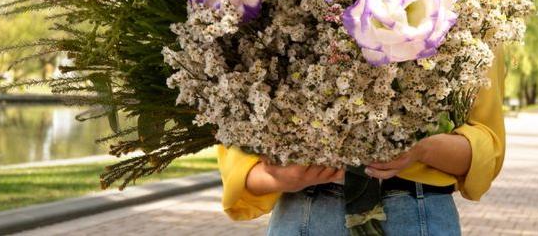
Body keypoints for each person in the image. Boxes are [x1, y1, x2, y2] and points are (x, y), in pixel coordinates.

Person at [216, 50, 507, 234]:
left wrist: (421, 147)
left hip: (416, 217)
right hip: (307, 210)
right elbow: (236, 143)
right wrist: (275, 175)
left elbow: (485, 148)